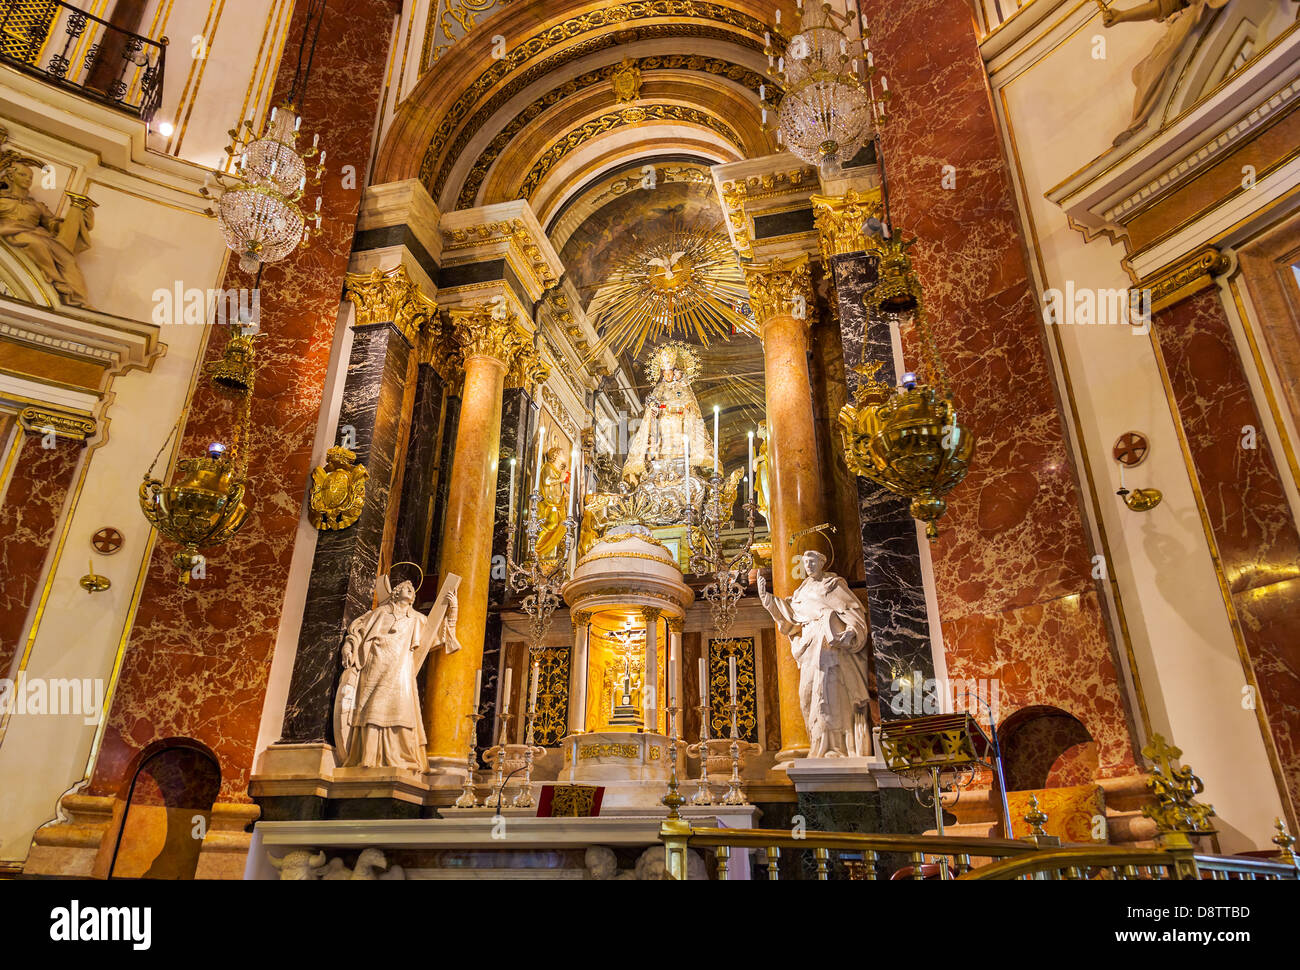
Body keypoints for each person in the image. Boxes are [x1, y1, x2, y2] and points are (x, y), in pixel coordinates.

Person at [758, 550, 872, 757]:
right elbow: (791, 618)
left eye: (812, 561)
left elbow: (854, 613)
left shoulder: (833, 586)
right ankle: (817, 742)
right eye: (805, 562)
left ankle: (836, 747)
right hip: (810, 645)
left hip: (830, 646)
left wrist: (851, 631)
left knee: (829, 694)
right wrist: (769, 601)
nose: (808, 566)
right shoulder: (802, 592)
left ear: (821, 563)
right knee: (807, 694)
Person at [338, 578, 459, 769]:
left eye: (412, 589)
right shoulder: (379, 613)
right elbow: (358, 632)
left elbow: (438, 637)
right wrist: (348, 646)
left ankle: (399, 757)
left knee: (401, 706)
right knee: (372, 704)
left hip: (400, 668)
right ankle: (368, 757)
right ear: (395, 593)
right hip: (376, 664)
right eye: (405, 587)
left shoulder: (417, 619)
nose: (410, 589)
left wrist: (452, 612)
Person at [0, 159, 91, 306]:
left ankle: (77, 299)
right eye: (23, 175)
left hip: (36, 233)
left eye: (30, 177)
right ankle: (56, 280)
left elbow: (52, 224)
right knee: (36, 243)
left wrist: (76, 217)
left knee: (67, 258)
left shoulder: (36, 205)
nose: (28, 180)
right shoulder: (2, 199)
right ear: (11, 177)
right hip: (10, 231)